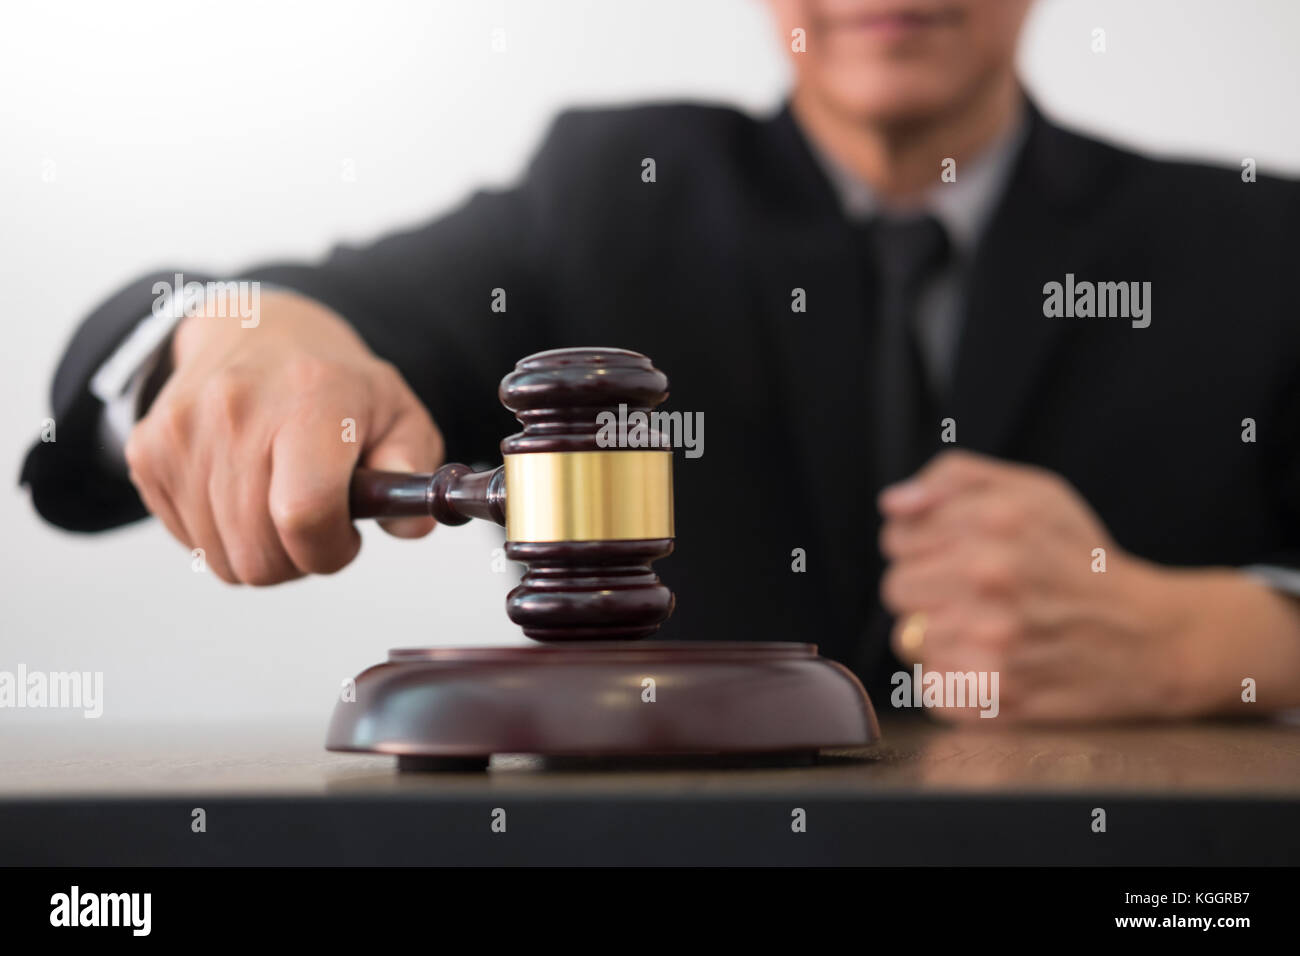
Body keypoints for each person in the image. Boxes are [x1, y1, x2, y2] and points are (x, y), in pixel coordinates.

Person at [21, 0, 1300, 721]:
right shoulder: (604, 197)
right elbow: (249, 315)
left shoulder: (1255, 237)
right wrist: (243, 327)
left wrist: (1228, 638)